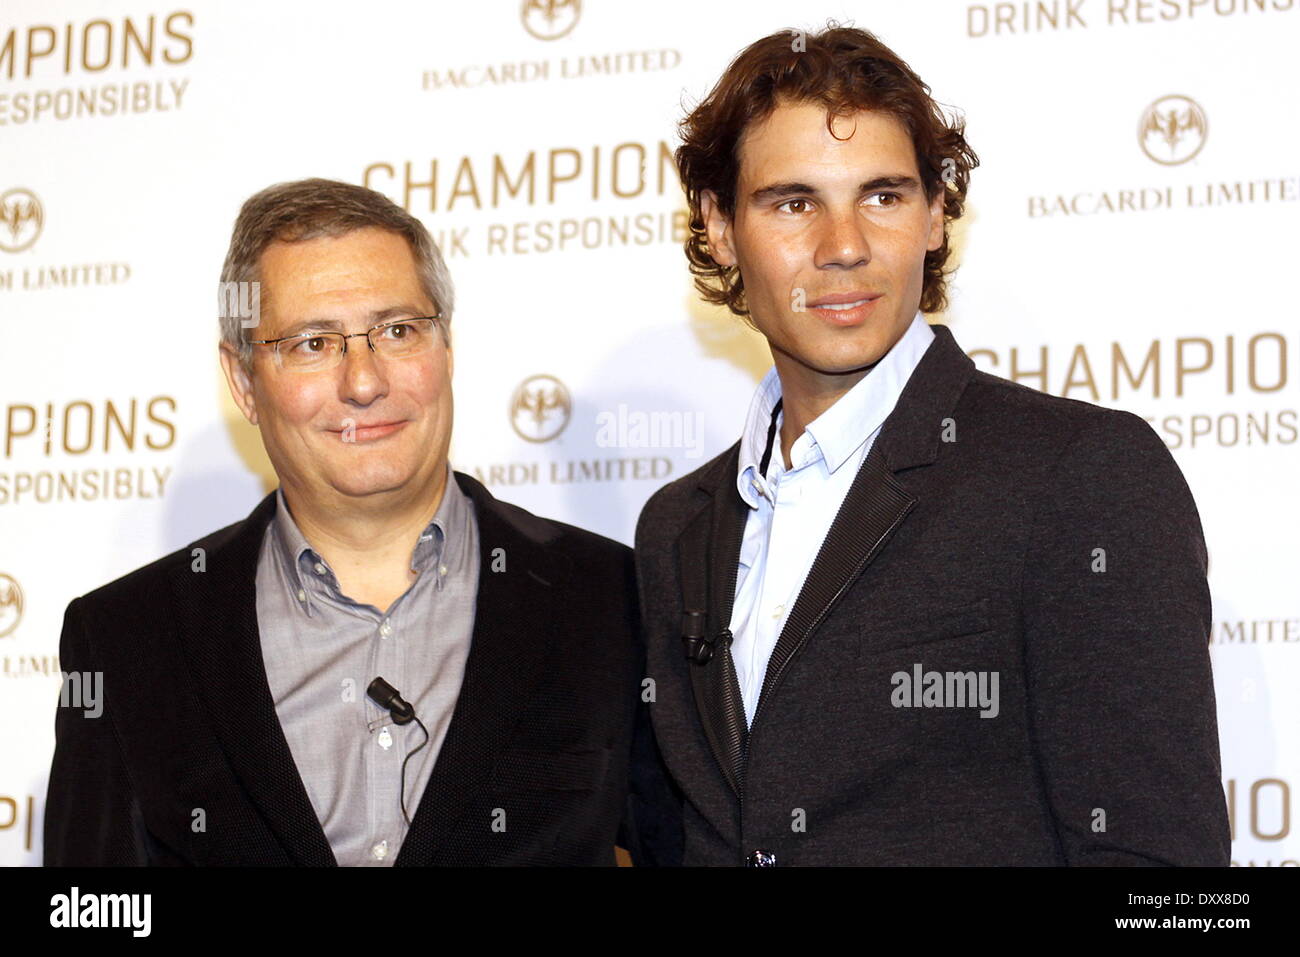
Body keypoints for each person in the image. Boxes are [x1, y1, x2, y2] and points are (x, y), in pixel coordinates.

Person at [634, 26, 1230, 865]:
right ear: (721, 228)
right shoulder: (675, 527)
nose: (844, 246)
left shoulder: (1078, 473)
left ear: (936, 216)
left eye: (883, 196)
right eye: (794, 203)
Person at [44, 178, 676, 866]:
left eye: (398, 330)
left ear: (447, 349)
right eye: (313, 343)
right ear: (244, 382)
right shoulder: (127, 639)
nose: (365, 381)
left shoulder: (615, 598)